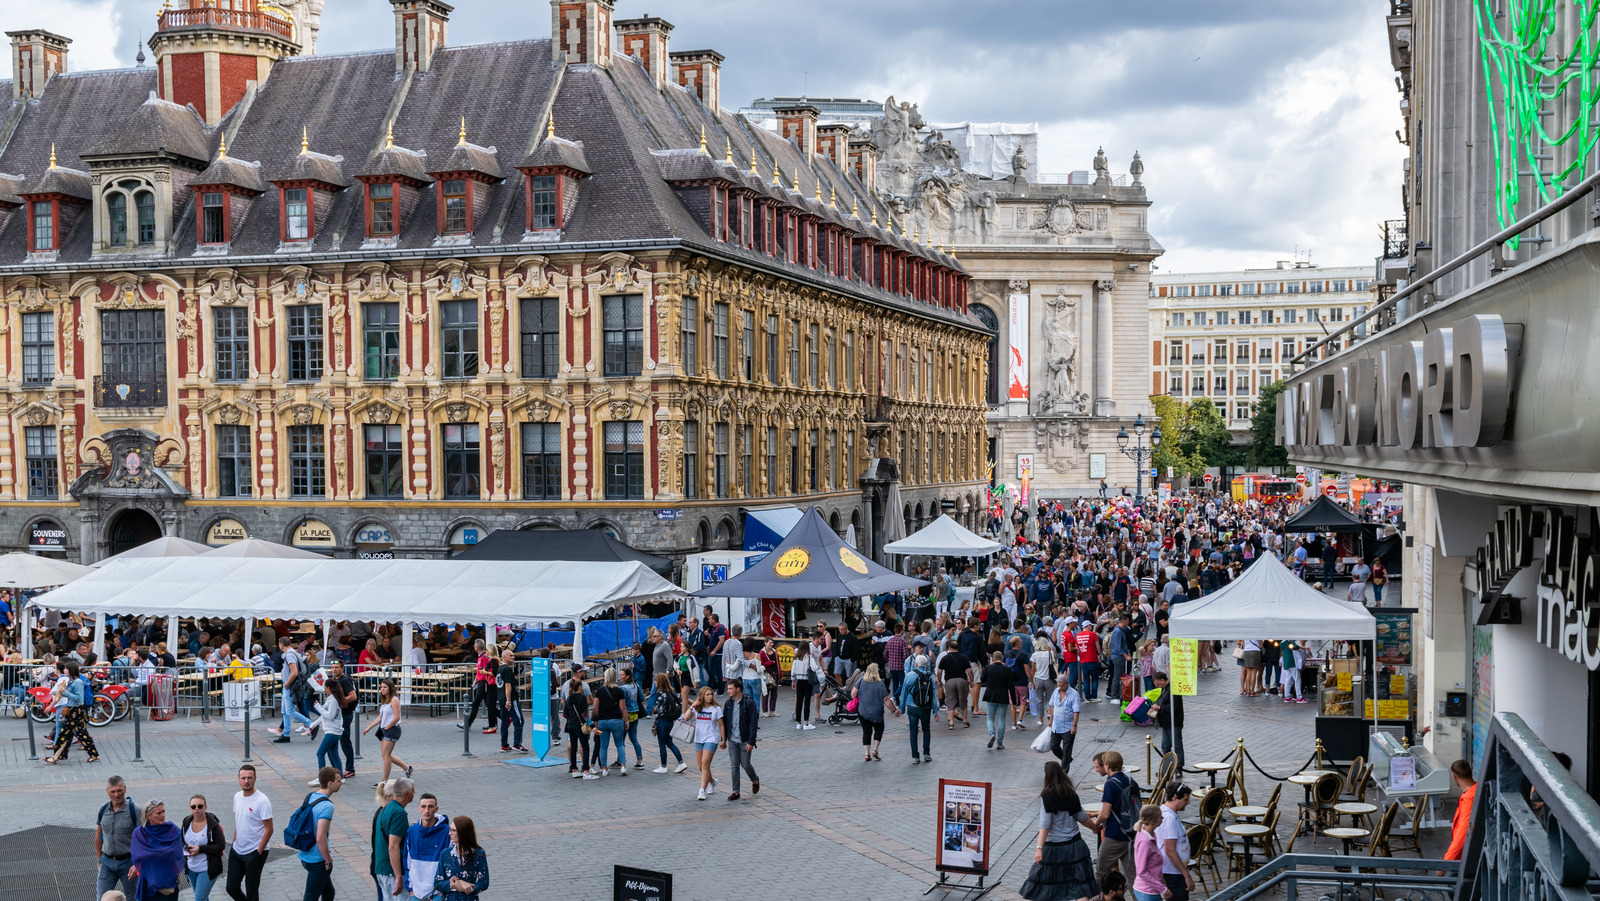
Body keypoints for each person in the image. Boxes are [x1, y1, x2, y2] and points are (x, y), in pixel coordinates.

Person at [1018, 761, 1097, 901]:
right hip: (1075, 846)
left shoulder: (1047, 796)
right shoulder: (1071, 793)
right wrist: (1095, 828)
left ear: (1046, 775)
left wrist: (1039, 848)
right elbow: (1082, 817)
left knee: (1040, 884)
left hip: (1053, 847)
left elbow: (1045, 825)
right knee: (1079, 886)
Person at [1089, 751, 1138, 885]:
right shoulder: (1130, 780)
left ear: (1107, 765)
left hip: (1114, 835)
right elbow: (1120, 807)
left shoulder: (1110, 784)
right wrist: (1095, 814)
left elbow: (1106, 814)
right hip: (1131, 834)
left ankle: (1099, 899)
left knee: (1100, 873)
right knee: (1133, 878)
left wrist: (1096, 824)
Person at [226, 765, 272, 901]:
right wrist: (234, 843)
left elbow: (269, 829)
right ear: (238, 779)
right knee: (231, 888)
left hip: (255, 851)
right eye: (243, 778)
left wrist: (258, 853)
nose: (246, 781)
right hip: (237, 850)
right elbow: (239, 822)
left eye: (250, 778)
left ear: (255, 779)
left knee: (252, 891)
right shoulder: (237, 797)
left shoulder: (262, 800)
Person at [298, 767, 342, 901]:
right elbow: (320, 837)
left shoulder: (311, 796)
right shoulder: (327, 806)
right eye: (338, 781)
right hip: (318, 860)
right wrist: (328, 860)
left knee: (329, 893)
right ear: (330, 783)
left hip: (305, 855)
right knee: (310, 897)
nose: (341, 783)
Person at [97, 776, 142, 900]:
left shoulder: (135, 810)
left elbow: (144, 840)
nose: (116, 794)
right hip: (107, 861)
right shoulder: (102, 810)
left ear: (125, 789)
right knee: (102, 898)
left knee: (132, 898)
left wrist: (137, 864)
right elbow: (98, 836)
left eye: (119, 791)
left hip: (129, 863)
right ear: (107, 792)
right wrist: (99, 859)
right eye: (113, 792)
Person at [130, 799, 184, 901]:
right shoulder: (139, 833)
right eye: (159, 813)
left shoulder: (172, 830)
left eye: (164, 812)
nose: (163, 815)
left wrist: (149, 855)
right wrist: (161, 853)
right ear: (148, 815)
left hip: (166, 881)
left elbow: (177, 854)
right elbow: (137, 856)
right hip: (147, 881)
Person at [45, 660, 98, 764]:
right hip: (74, 709)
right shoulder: (71, 681)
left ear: (70, 670)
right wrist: (63, 692)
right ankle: (94, 754)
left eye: (66, 669)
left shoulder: (77, 682)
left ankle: (56, 756)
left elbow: (79, 698)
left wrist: (65, 692)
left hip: (76, 710)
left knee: (67, 733)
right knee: (78, 734)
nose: (64, 670)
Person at [362, 678, 412, 785]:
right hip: (384, 729)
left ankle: (384, 780)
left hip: (392, 729)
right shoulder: (385, 700)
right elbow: (380, 716)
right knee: (386, 755)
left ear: (390, 688)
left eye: (385, 687)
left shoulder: (394, 699)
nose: (382, 689)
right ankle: (407, 768)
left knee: (386, 755)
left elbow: (397, 717)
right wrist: (369, 727)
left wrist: (388, 727)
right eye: (381, 687)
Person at [403, 793, 450, 901]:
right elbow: (407, 862)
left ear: (436, 809)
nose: (427, 810)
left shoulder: (447, 832)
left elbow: (450, 863)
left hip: (438, 893)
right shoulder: (412, 831)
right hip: (416, 893)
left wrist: (442, 889)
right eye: (423, 807)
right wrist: (410, 889)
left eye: (430, 806)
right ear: (418, 809)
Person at [371, 778, 412, 901]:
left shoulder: (385, 808)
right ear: (406, 793)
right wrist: (398, 876)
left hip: (382, 869)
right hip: (392, 872)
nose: (414, 793)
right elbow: (393, 846)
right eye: (413, 791)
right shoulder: (399, 813)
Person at [720, 678, 760, 800]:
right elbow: (725, 722)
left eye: (731, 688)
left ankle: (755, 780)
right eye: (728, 689)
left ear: (738, 689)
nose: (728, 691)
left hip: (745, 740)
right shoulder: (728, 703)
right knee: (734, 766)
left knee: (746, 764)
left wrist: (751, 741)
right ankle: (736, 791)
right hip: (732, 740)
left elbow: (753, 723)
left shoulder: (748, 702)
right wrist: (723, 739)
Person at [180, 795, 225, 901]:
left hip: (207, 868)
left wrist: (200, 849)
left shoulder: (213, 825)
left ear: (205, 807)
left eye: (200, 806)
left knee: (199, 898)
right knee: (202, 897)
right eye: (193, 806)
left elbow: (221, 845)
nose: (196, 809)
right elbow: (181, 840)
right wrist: (185, 848)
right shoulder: (186, 822)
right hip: (191, 867)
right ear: (190, 808)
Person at [270, 636, 314, 743]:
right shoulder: (292, 653)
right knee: (285, 711)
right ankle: (286, 734)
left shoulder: (289, 655)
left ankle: (310, 724)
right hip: (290, 685)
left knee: (289, 711)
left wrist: (287, 683)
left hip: (290, 686)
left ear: (281, 644)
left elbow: (294, 672)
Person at [433, 816, 489, 901]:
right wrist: (455, 884)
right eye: (450, 830)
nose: (449, 833)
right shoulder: (445, 854)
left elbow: (484, 883)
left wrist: (466, 889)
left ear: (463, 832)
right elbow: (437, 883)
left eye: (453, 830)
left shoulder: (479, 854)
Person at [1156, 784, 1194, 901]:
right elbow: (1170, 849)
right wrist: (1186, 874)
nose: (1188, 803)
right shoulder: (1169, 818)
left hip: (1174, 871)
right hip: (1172, 872)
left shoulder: (1170, 814)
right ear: (1175, 798)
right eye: (1185, 799)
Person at [686, 686, 723, 800]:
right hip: (699, 739)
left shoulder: (716, 709)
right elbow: (686, 717)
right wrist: (692, 706)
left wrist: (723, 739)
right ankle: (712, 781)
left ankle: (702, 790)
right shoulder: (698, 708)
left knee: (705, 763)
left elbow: (721, 725)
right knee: (701, 767)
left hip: (711, 738)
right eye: (707, 695)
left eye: (711, 694)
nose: (710, 696)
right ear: (702, 696)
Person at [898, 654, 936, 764]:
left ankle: (915, 756)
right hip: (926, 707)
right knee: (926, 729)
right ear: (926, 664)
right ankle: (926, 754)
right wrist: (935, 710)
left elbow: (903, 693)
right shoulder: (930, 676)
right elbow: (933, 694)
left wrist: (902, 708)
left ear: (915, 664)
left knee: (913, 731)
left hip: (912, 707)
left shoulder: (909, 675)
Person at [590, 668, 629, 774]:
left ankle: (604, 768)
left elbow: (595, 707)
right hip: (616, 721)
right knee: (619, 744)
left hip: (603, 721)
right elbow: (623, 708)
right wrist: (626, 721)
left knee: (603, 745)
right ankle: (623, 766)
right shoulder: (619, 691)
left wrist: (598, 719)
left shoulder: (599, 691)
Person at [324, 660, 358, 779]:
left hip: (345, 714)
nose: (334, 669)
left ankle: (350, 768)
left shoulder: (345, 680)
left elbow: (353, 696)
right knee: (334, 742)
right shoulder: (335, 681)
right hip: (338, 715)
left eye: (337, 667)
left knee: (344, 741)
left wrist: (340, 702)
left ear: (342, 668)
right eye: (332, 667)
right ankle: (336, 768)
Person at [852, 663, 892, 762]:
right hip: (877, 712)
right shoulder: (880, 683)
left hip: (863, 712)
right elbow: (886, 699)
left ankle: (866, 754)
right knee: (879, 729)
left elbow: (853, 694)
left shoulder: (861, 681)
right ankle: (875, 750)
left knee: (866, 732)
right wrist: (893, 710)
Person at [649, 672, 688, 774]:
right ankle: (681, 763)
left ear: (659, 682)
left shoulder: (661, 694)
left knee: (662, 743)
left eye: (656, 680)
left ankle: (663, 766)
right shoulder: (670, 692)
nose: (654, 682)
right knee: (669, 742)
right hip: (670, 721)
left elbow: (657, 709)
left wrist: (653, 710)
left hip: (662, 721)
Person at [460, 639, 498, 734]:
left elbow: (486, 672)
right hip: (481, 682)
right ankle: (497, 721)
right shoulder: (480, 657)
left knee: (476, 703)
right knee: (490, 705)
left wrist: (484, 683)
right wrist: (475, 680)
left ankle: (468, 723)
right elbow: (480, 671)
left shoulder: (484, 658)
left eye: (474, 645)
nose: (473, 646)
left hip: (484, 683)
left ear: (476, 647)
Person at [562, 670, 594, 778]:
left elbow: (565, 715)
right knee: (585, 746)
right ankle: (586, 771)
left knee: (573, 746)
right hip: (580, 725)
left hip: (570, 725)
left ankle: (574, 770)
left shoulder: (568, 699)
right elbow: (584, 714)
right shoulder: (582, 698)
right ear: (580, 687)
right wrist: (592, 725)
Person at [981, 651, 1017, 750]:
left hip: (990, 695)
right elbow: (1011, 686)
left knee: (990, 718)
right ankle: (1000, 742)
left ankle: (992, 734)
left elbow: (982, 679)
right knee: (1002, 719)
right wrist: (1014, 701)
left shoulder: (988, 668)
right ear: (1002, 659)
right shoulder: (1007, 669)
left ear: (993, 658)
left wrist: (986, 669)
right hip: (1003, 696)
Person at [310, 679, 345, 778]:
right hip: (333, 730)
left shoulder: (333, 700)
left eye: (325, 687)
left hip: (332, 731)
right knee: (334, 754)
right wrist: (312, 726)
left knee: (320, 753)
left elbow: (330, 715)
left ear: (328, 688)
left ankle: (322, 777)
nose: (324, 689)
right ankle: (340, 776)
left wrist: (318, 707)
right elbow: (323, 716)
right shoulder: (331, 699)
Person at [1131, 805, 1166, 901]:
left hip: (1150, 889)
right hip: (1147, 891)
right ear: (1152, 820)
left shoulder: (1149, 834)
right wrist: (1163, 889)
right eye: (1160, 817)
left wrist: (1159, 877)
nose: (1162, 818)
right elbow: (1141, 871)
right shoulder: (1145, 841)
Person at [1044, 674, 1081, 767]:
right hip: (1056, 726)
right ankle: (1067, 759)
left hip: (1068, 727)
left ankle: (1064, 772)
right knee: (1053, 746)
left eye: (1062, 685)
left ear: (1067, 683)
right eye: (1059, 685)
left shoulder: (1074, 694)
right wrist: (1050, 720)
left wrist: (1074, 725)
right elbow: (1052, 706)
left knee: (1067, 749)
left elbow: (1076, 711)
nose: (1060, 687)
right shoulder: (1056, 692)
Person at [1444, 759, 1477, 861]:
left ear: (1455, 776)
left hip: (1465, 857)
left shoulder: (1468, 799)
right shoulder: (1476, 790)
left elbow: (1463, 831)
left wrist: (1447, 860)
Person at [496, 649, 526, 753]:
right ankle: (517, 744)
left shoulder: (499, 669)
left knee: (505, 722)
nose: (513, 657)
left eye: (513, 655)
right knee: (519, 720)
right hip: (510, 700)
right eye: (510, 655)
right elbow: (508, 685)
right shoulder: (507, 669)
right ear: (504, 657)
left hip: (502, 700)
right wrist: (509, 700)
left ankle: (504, 745)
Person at [938, 640, 971, 729]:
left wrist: (939, 681)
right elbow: (969, 671)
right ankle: (965, 721)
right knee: (963, 701)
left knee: (950, 702)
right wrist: (971, 681)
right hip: (961, 681)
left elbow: (939, 671)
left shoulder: (945, 658)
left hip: (949, 681)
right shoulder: (964, 657)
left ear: (949, 648)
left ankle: (951, 723)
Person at [790, 635, 817, 728]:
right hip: (807, 681)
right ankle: (806, 722)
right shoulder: (809, 657)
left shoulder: (796, 658)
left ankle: (798, 722)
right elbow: (815, 668)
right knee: (807, 702)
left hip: (799, 681)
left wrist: (793, 681)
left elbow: (793, 671)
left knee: (799, 701)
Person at [758, 639, 781, 717]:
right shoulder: (761, 653)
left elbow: (778, 664)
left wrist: (780, 674)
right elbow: (761, 664)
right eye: (770, 643)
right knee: (766, 693)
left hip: (774, 675)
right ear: (765, 643)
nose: (771, 644)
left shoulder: (775, 652)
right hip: (766, 675)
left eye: (772, 643)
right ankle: (765, 711)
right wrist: (771, 662)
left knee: (774, 694)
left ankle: (772, 710)